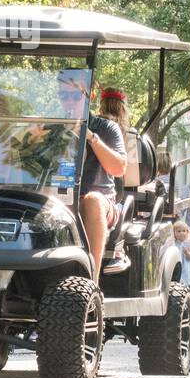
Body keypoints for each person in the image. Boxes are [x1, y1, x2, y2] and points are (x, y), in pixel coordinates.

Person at [57, 69, 125, 281]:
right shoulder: (54, 126)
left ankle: (92, 282)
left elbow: (119, 168)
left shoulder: (106, 128)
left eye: (76, 96)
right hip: (59, 197)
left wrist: (91, 138)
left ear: (90, 96)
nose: (70, 102)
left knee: (92, 200)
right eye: (64, 95)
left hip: (100, 201)